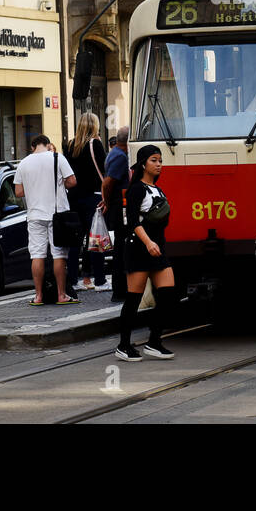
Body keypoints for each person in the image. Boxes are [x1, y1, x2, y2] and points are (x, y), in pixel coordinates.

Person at [115, 144, 177, 361]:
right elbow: (132, 222)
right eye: (154, 160)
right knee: (133, 298)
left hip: (157, 249)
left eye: (160, 160)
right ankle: (123, 345)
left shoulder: (158, 189)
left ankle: (154, 341)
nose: (159, 164)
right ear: (143, 164)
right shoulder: (136, 189)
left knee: (168, 293)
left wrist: (156, 243)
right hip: (139, 249)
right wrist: (148, 242)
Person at [13, 134, 79, 305]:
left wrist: (35, 188)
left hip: (34, 215)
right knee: (58, 255)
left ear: (32, 147)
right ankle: (61, 295)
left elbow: (18, 192)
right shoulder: (57, 157)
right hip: (57, 215)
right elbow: (72, 181)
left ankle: (38, 296)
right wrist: (56, 185)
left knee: (37, 255)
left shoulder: (24, 163)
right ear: (48, 144)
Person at [66, 112, 109, 293]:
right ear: (95, 126)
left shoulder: (70, 145)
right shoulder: (95, 144)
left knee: (75, 242)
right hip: (94, 196)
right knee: (96, 240)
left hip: (74, 197)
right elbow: (104, 170)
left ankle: (73, 280)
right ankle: (99, 280)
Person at [102, 127, 131, 303]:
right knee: (122, 246)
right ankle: (120, 289)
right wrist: (107, 200)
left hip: (116, 205)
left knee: (121, 246)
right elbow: (107, 182)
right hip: (119, 206)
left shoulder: (113, 153)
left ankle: (120, 288)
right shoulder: (120, 156)